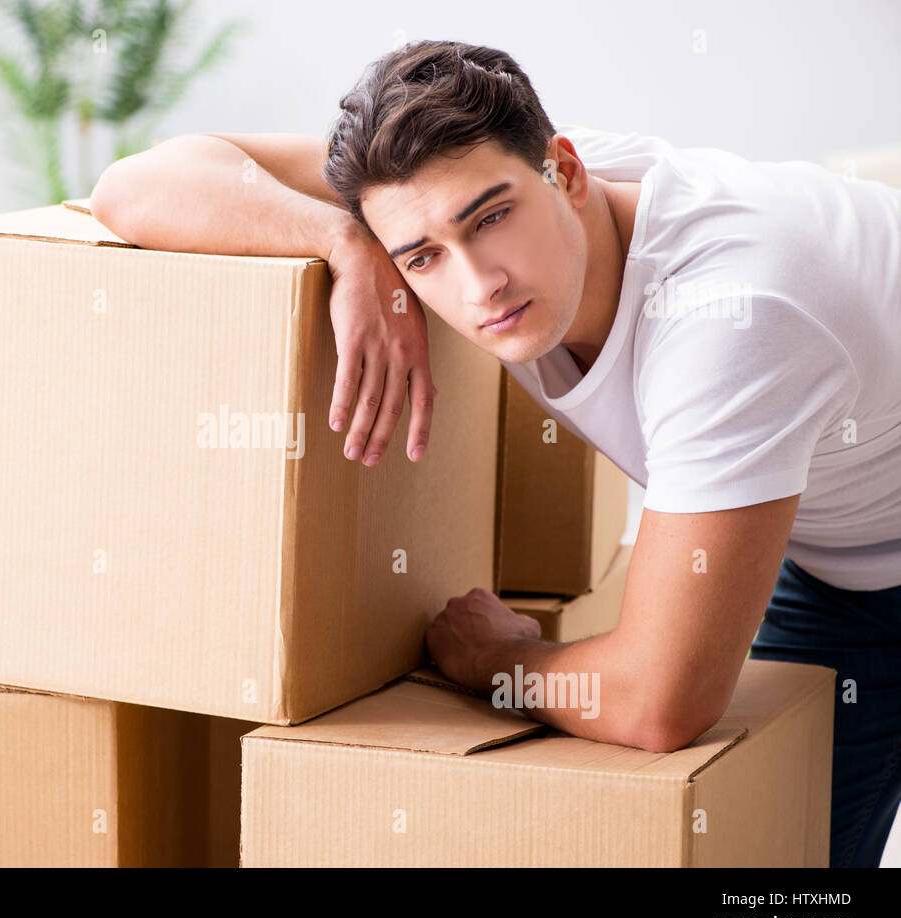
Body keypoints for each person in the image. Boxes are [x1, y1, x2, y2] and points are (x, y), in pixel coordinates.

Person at [89, 39, 901, 867]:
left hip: (865, 538)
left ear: (568, 171)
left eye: (491, 219)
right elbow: (134, 184)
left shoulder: (729, 319)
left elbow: (659, 702)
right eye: (425, 256)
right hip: (846, 559)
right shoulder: (473, 182)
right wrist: (349, 247)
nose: (479, 285)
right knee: (783, 868)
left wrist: (500, 660)